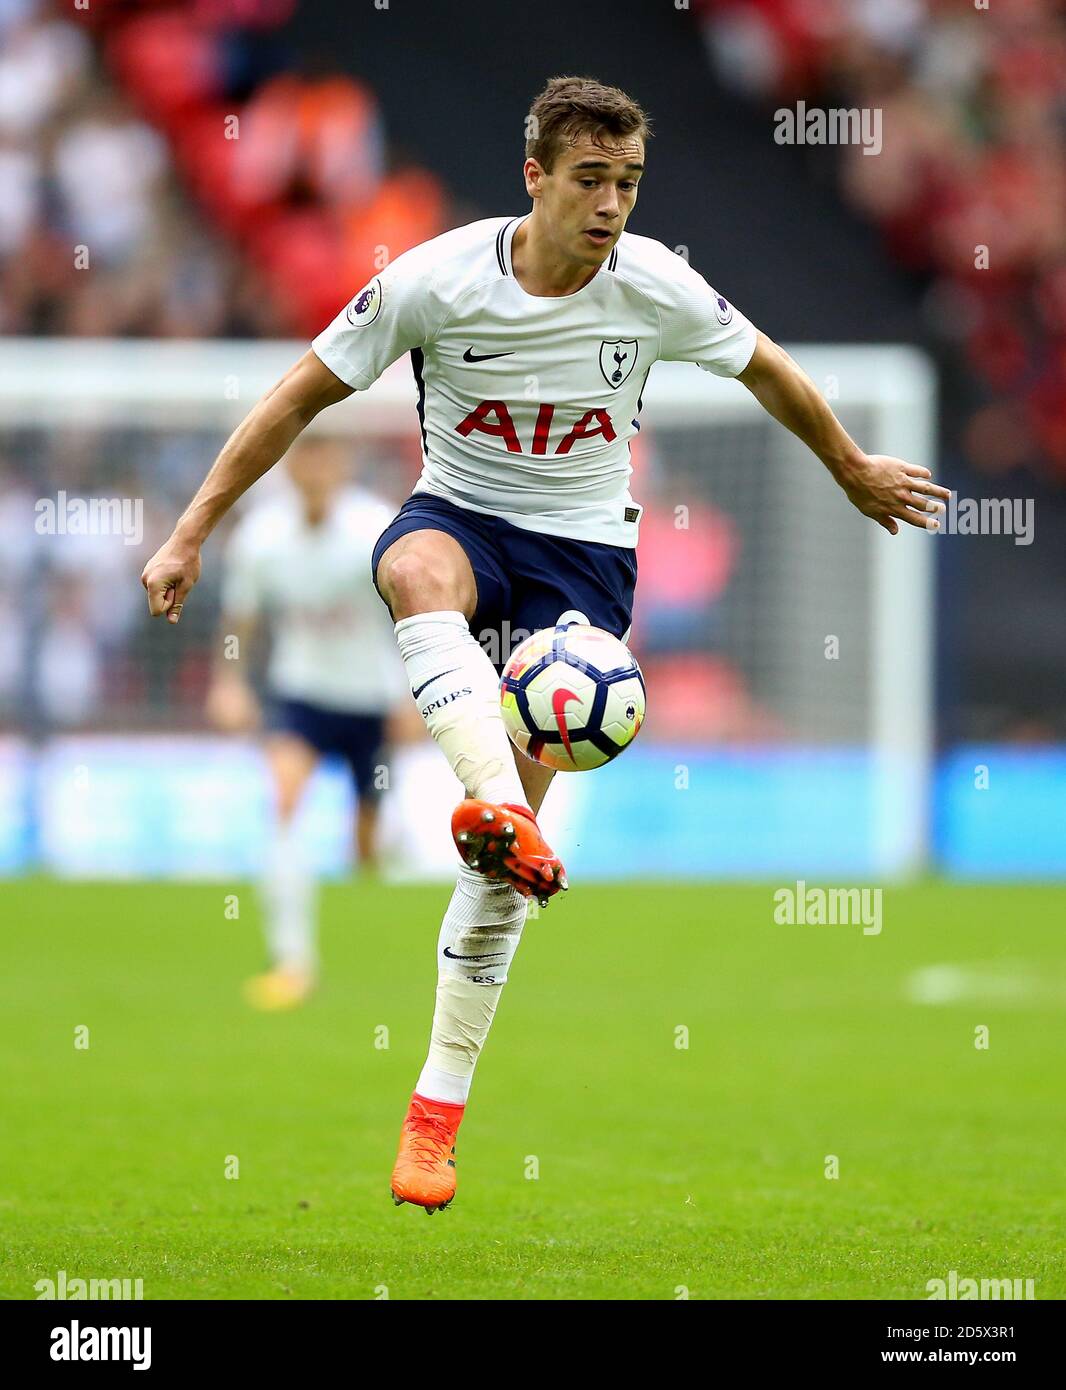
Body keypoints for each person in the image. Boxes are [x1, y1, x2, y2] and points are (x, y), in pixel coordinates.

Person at [142, 75, 949, 1213]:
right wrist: (190, 533)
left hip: (580, 562)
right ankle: (499, 810)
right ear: (534, 177)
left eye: (627, 182)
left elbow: (766, 368)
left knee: (493, 885)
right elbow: (294, 397)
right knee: (409, 565)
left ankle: (435, 1112)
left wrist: (852, 466)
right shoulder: (435, 277)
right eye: (589, 181)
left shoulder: (655, 285)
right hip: (461, 518)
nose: (611, 204)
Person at [205, 438, 404, 1010]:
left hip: (370, 698)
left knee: (365, 848)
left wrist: (414, 697)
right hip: (301, 695)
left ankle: (378, 937)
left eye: (325, 456)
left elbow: (408, 614)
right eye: (304, 457)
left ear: (342, 463)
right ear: (289, 466)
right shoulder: (260, 538)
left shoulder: (374, 529)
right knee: (284, 804)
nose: (314, 468)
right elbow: (239, 619)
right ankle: (293, 963)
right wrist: (229, 682)